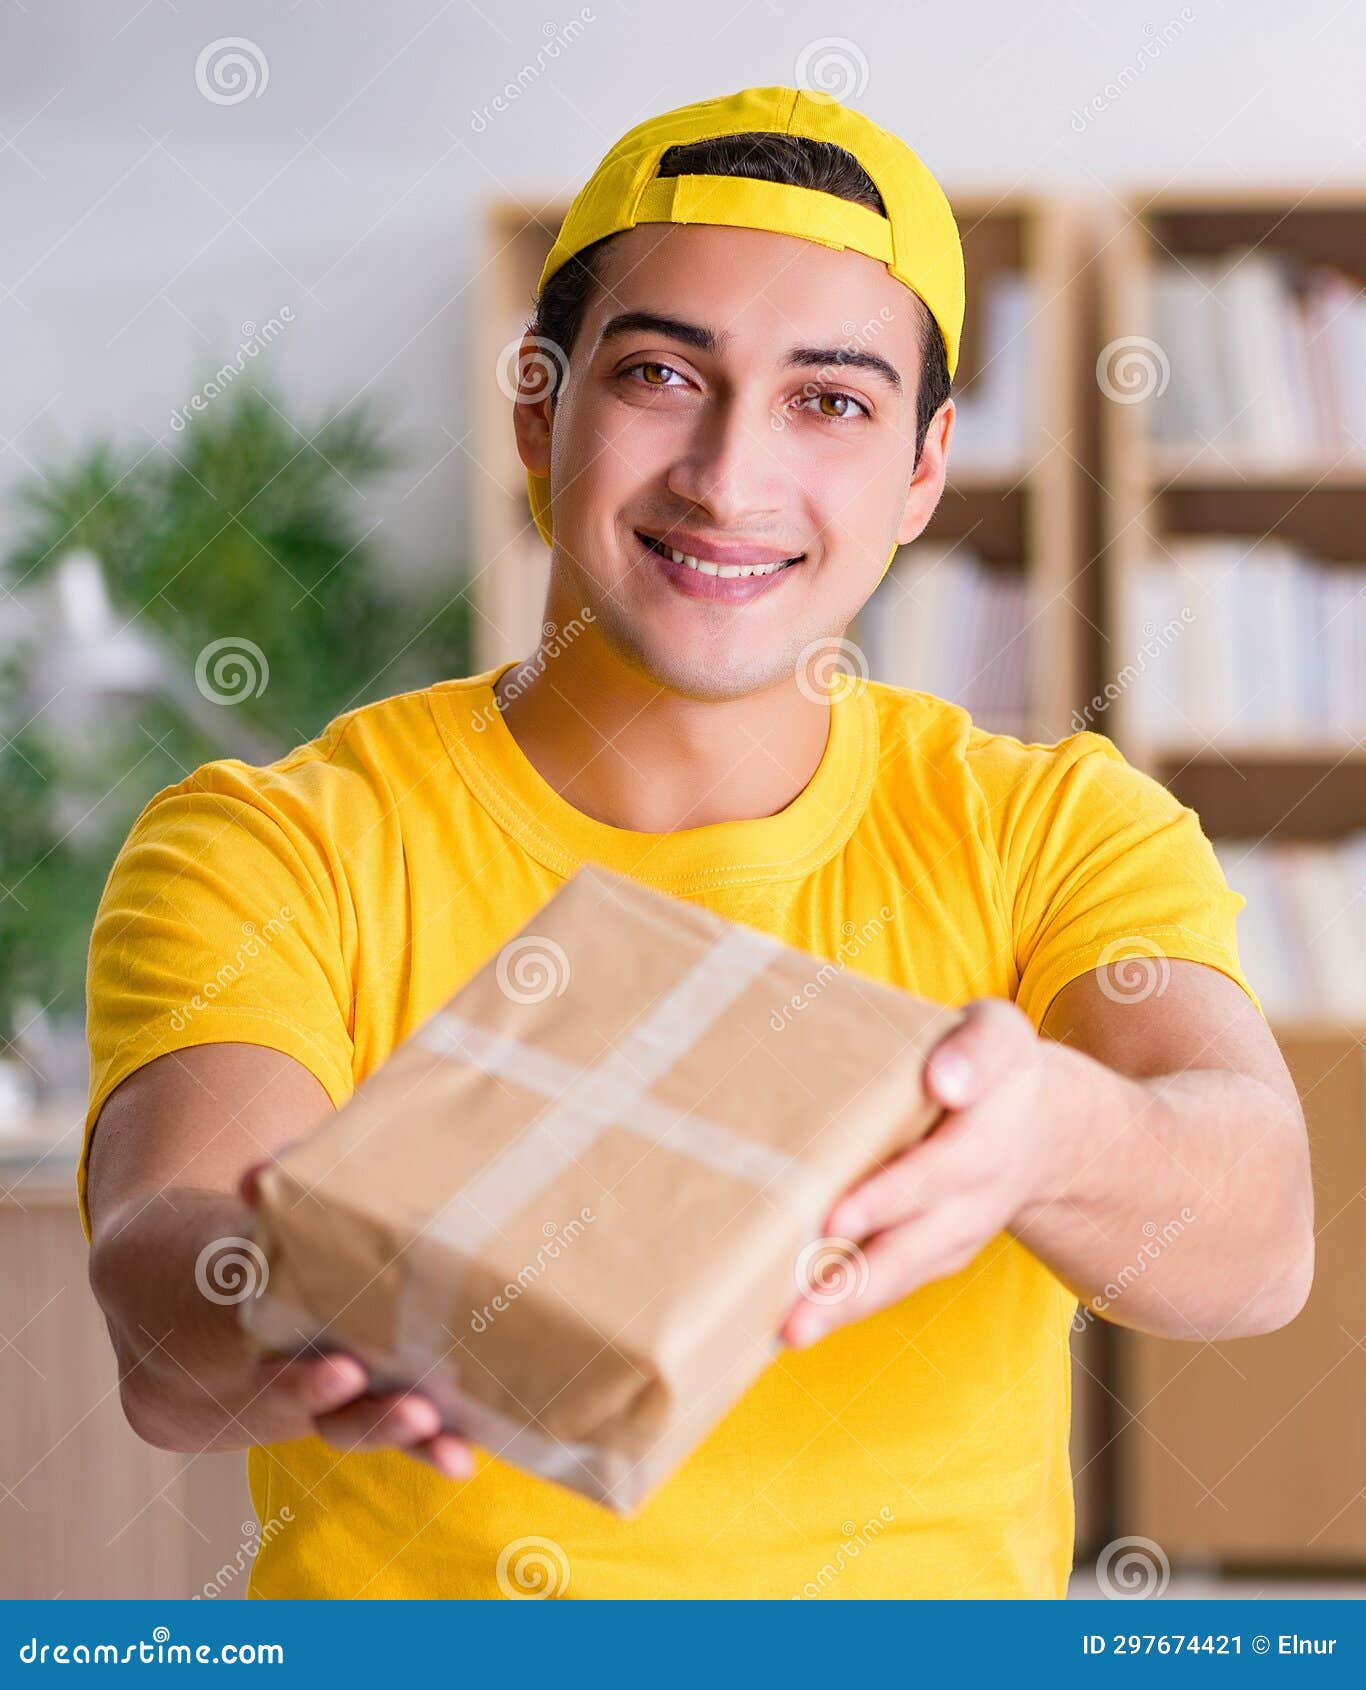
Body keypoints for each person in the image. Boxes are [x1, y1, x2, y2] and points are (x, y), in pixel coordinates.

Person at [82, 84, 1313, 1600]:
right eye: (664, 374)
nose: (729, 478)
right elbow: (160, 1297)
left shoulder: (1053, 827)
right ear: (538, 407)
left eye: (831, 401)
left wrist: (1048, 1134)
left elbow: (1260, 1236)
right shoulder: (277, 845)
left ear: (923, 469)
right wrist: (306, 1287)